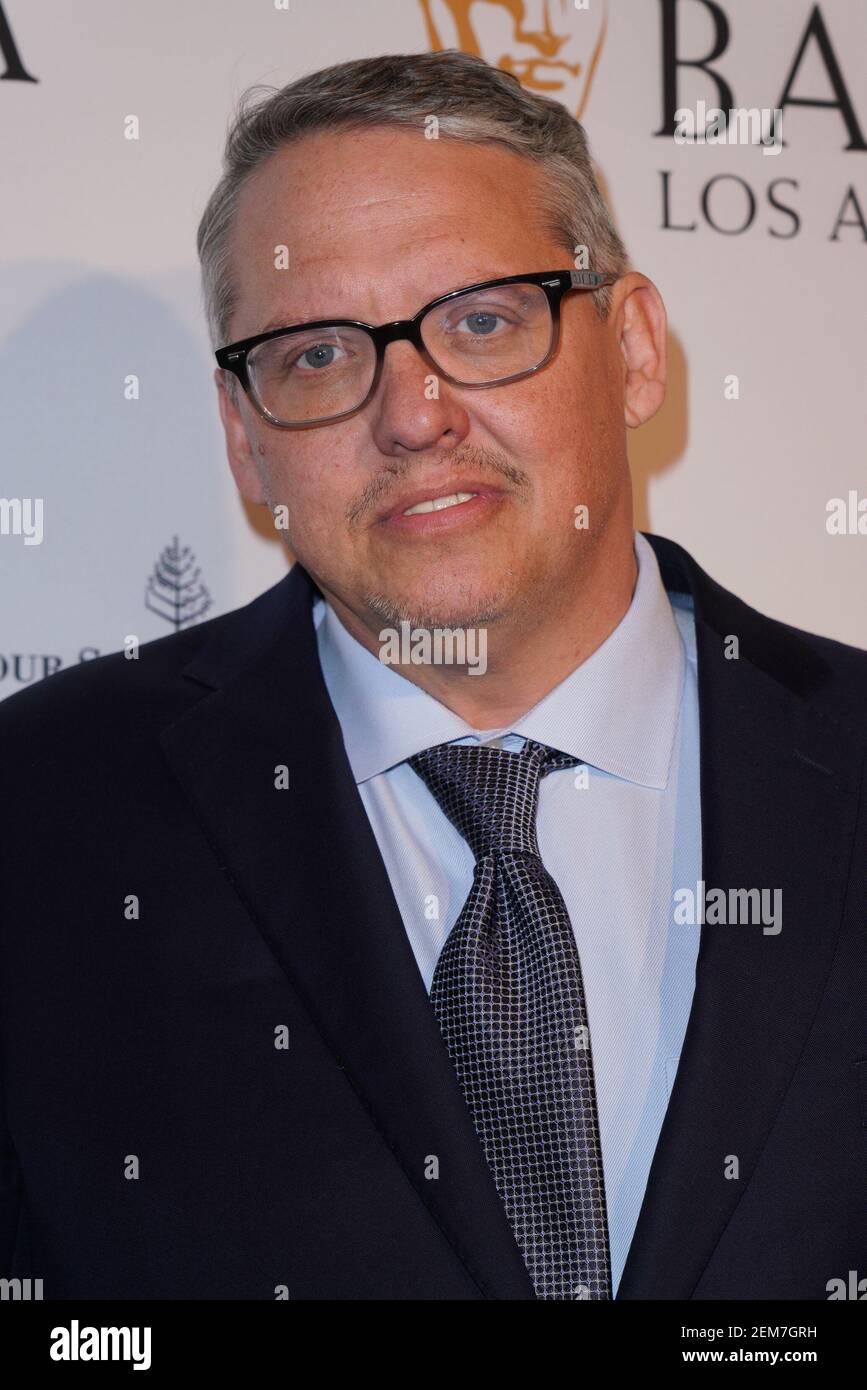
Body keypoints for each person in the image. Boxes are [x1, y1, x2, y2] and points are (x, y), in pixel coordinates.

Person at [1, 50, 865, 1302]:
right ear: (245, 441)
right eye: (315, 355)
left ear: (631, 349)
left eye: (482, 319)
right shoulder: (44, 815)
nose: (413, 413)